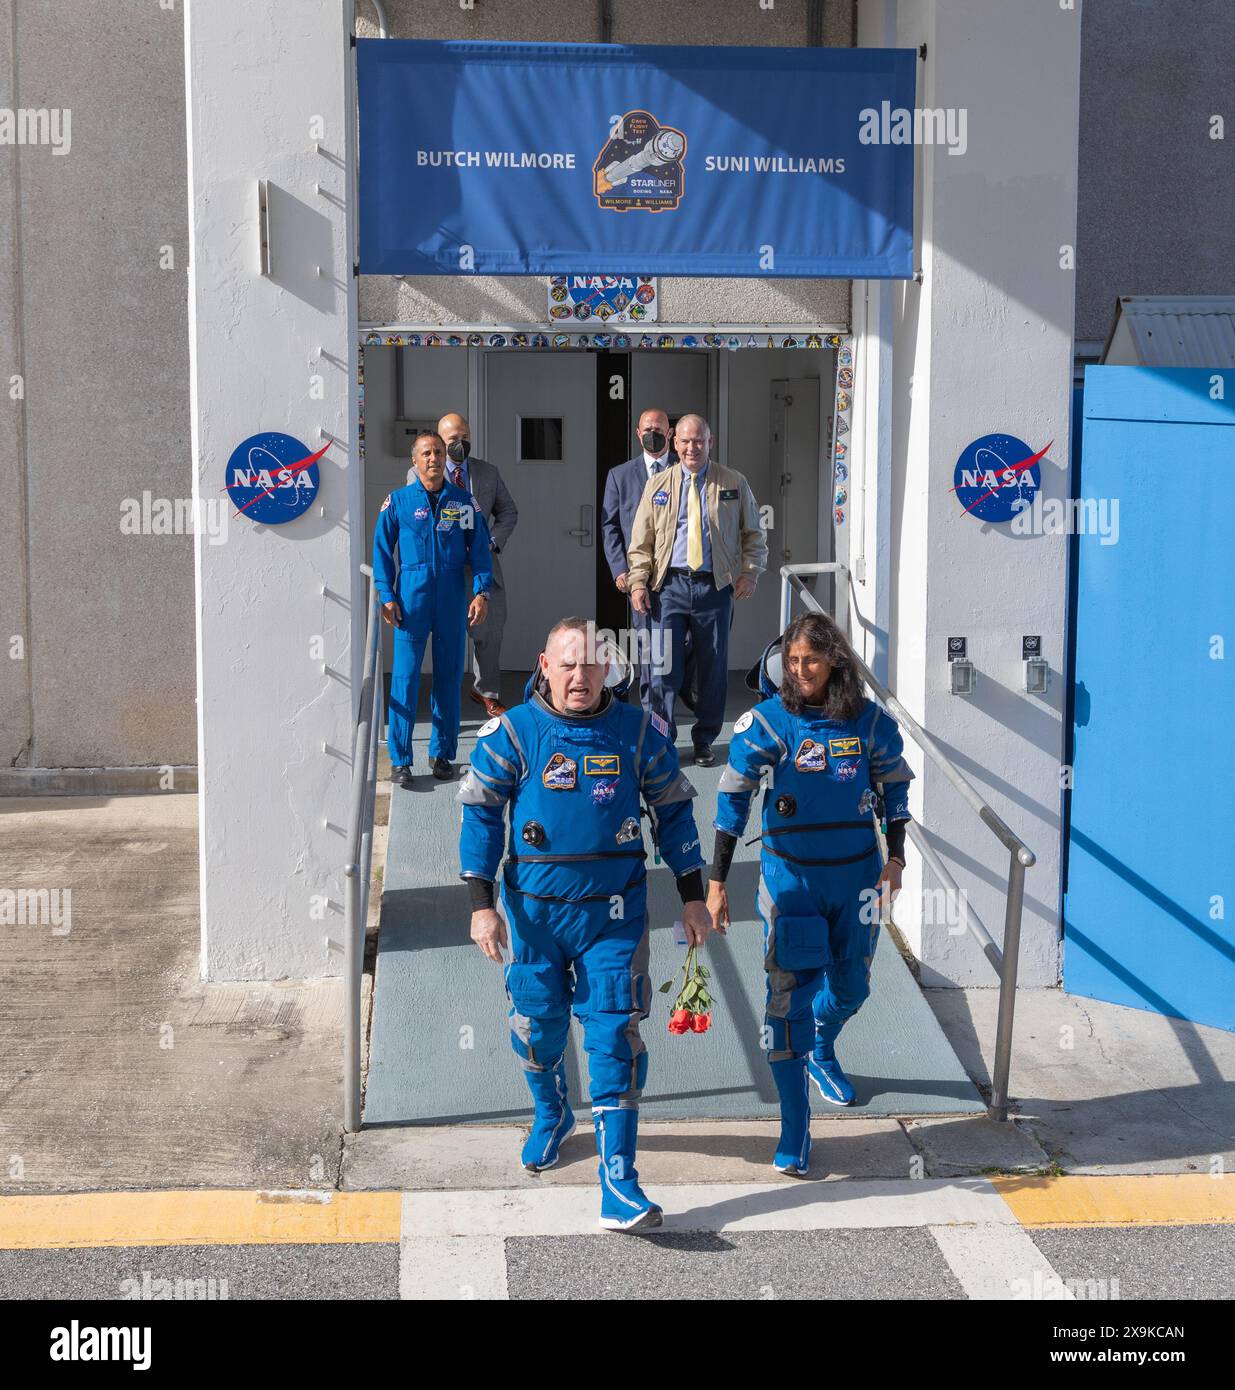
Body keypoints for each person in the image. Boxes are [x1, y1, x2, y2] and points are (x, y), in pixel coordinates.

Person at [458, 617, 711, 1231]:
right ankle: (551, 1113)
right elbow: (483, 815)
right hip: (535, 916)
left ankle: (618, 1179)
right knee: (536, 1027)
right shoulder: (512, 734)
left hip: (615, 918)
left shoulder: (636, 732)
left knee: (614, 1035)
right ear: (543, 664)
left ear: (609, 669)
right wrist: (481, 903)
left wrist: (693, 894)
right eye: (566, 664)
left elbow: (673, 812)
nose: (579, 676)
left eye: (591, 664)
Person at [706, 611, 913, 1176]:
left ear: (835, 662)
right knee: (787, 1001)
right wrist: (717, 880)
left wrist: (895, 858)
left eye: (811, 662)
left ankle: (823, 1046)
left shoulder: (870, 723)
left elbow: (895, 786)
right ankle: (795, 1127)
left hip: (856, 876)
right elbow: (733, 798)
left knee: (851, 988)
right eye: (792, 662)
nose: (799, 673)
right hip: (790, 879)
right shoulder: (769, 722)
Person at [628, 414, 767, 766]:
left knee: (712, 668)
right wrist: (638, 582)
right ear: (675, 443)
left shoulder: (733, 482)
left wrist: (749, 573)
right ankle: (663, 741)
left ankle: (705, 739)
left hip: (714, 588)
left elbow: (754, 534)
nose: (693, 448)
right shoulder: (658, 485)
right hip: (668, 588)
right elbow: (641, 541)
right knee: (662, 669)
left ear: (710, 442)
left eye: (699, 441)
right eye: (686, 441)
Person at [375, 430, 492, 787]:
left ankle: (443, 754)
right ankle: (401, 759)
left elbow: (481, 551)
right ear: (414, 460)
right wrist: (386, 594)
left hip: (451, 597)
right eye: (426, 453)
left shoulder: (463, 503)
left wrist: (481, 592)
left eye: (438, 452)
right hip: (411, 600)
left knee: (448, 677)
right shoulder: (398, 502)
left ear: (446, 458)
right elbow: (382, 550)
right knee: (406, 680)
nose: (433, 458)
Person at [433, 412, 518, 718]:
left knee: (490, 634)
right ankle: (445, 699)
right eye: (453, 439)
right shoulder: (424, 472)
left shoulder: (488, 473)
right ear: (440, 441)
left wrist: (492, 541)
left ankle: (487, 692)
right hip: (446, 570)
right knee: (449, 636)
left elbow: (509, 511)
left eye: (465, 437)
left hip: (484, 567)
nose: (461, 443)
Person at [600, 408, 684, 709]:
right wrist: (620, 570)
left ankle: (682, 691)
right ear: (638, 433)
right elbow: (610, 526)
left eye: (659, 429)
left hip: (680, 576)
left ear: (670, 433)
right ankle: (653, 712)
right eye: (647, 429)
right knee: (649, 648)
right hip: (640, 578)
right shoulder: (620, 476)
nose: (653, 434)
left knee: (684, 647)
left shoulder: (685, 469)